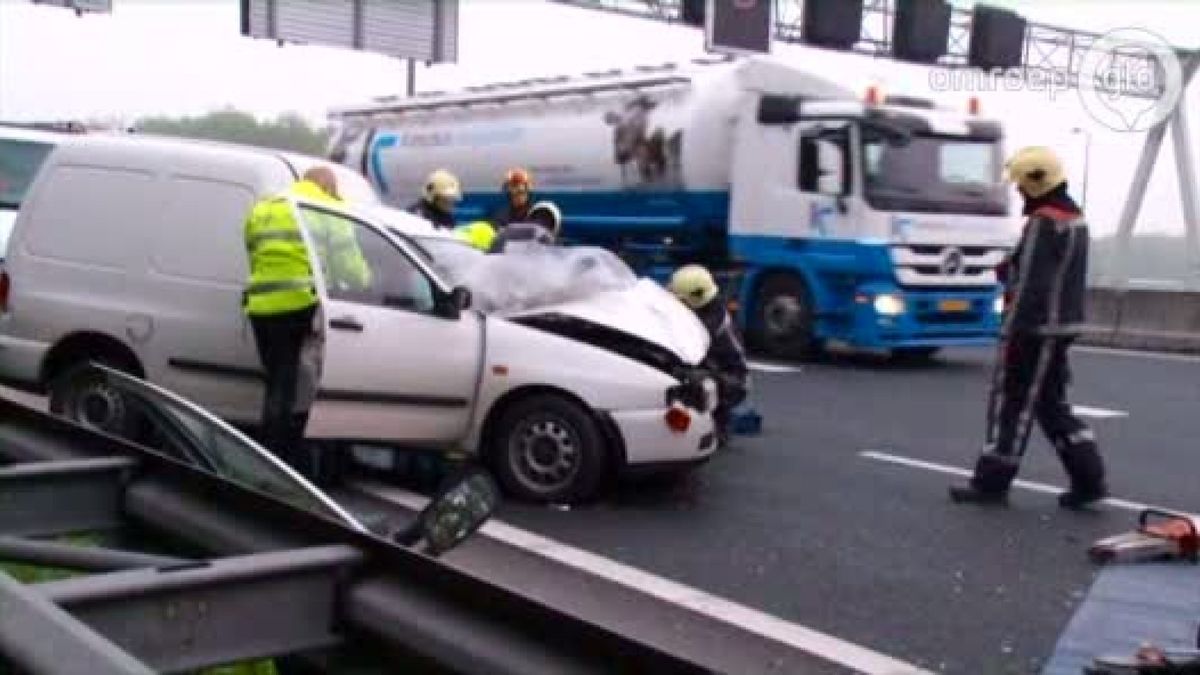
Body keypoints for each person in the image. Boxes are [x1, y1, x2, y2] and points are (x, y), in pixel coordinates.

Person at [950, 146, 1108, 509]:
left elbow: (1032, 283)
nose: (1020, 192)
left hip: (1034, 328)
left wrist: (1012, 327)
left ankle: (991, 483)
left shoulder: (1043, 222)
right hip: (1061, 326)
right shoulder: (1075, 219)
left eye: (1022, 185)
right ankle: (1089, 478)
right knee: (1051, 404)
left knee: (1012, 402)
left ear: (1035, 184)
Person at [242, 166, 371, 474]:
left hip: (260, 306)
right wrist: (366, 281)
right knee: (288, 386)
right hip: (297, 304)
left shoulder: (265, 207)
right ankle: (276, 462)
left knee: (276, 381)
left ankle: (271, 455)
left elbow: (253, 252)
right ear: (327, 187)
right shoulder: (324, 208)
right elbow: (348, 265)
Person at [668, 264, 749, 447]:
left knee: (692, 376)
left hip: (732, 380)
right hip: (720, 372)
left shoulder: (711, 324)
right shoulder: (703, 310)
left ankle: (718, 426)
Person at [488, 201, 562, 253]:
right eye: (537, 217)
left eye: (547, 220)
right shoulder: (508, 234)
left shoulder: (508, 232)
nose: (540, 222)